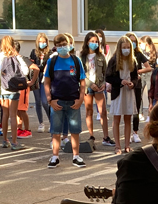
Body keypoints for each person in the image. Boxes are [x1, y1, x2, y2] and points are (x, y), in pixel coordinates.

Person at [42, 34, 87, 169]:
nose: (62, 47)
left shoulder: (76, 60)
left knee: (75, 130)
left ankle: (76, 156)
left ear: (69, 44)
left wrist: (80, 99)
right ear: (55, 47)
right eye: (59, 45)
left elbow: (82, 82)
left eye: (64, 44)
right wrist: (50, 100)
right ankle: (55, 157)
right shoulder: (52, 61)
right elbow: (47, 82)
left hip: (73, 102)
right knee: (56, 131)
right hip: (57, 102)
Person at [0, 35, 29, 151]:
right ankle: (14, 142)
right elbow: (26, 71)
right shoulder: (16, 56)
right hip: (14, 89)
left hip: (3, 88)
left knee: (5, 115)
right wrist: (19, 57)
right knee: (13, 116)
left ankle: (4, 140)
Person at [106, 36, 140, 154]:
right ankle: (117, 146)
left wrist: (132, 84)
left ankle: (127, 145)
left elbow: (135, 77)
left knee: (128, 118)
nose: (126, 50)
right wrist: (120, 81)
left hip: (129, 92)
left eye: (128, 47)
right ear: (119, 48)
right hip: (118, 92)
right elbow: (108, 77)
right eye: (124, 47)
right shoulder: (114, 60)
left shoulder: (133, 61)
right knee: (116, 118)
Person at [81, 32, 109, 145]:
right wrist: (89, 83)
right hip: (88, 88)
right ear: (87, 42)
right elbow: (81, 73)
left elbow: (106, 72)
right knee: (89, 111)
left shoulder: (101, 56)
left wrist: (104, 83)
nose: (94, 43)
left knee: (103, 112)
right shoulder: (82, 57)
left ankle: (106, 137)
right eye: (92, 41)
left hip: (99, 86)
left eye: (96, 41)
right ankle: (91, 135)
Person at [30, 32, 51, 132]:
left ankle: (52, 121)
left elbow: (48, 66)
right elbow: (31, 64)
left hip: (44, 80)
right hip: (35, 79)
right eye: (40, 42)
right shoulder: (33, 52)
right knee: (37, 102)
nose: (42, 44)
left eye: (44, 42)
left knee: (45, 102)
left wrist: (40, 68)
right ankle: (41, 123)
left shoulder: (50, 53)